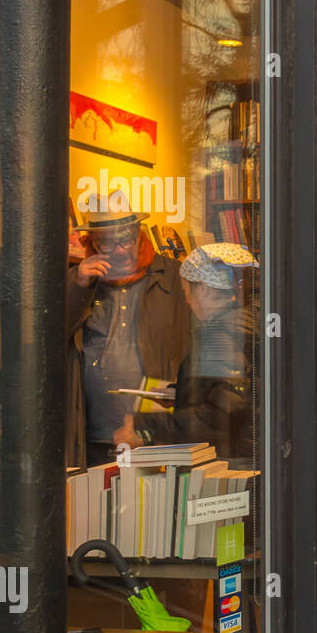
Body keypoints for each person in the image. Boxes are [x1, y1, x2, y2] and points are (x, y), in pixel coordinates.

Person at [67, 192, 190, 467]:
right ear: (92, 243)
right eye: (109, 244)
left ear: (139, 232)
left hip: (154, 434)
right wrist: (78, 284)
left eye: (127, 239)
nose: (121, 250)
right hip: (92, 436)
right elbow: (47, 337)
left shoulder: (174, 276)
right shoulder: (80, 280)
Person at [113, 243, 258, 464]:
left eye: (185, 291)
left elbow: (218, 416)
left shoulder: (221, 335)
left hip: (229, 460)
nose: (187, 302)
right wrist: (182, 393)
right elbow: (230, 390)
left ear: (204, 289)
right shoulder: (247, 324)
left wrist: (144, 428)